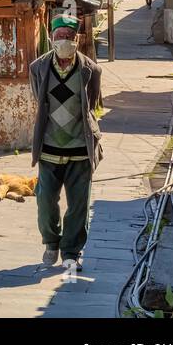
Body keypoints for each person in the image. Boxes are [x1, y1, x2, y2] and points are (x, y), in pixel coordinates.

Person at [29, 14, 103, 270]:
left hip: (80, 149)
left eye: (69, 37)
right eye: (59, 36)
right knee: (45, 200)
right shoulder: (37, 68)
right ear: (51, 38)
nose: (64, 41)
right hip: (48, 148)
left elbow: (91, 105)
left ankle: (71, 252)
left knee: (79, 205)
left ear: (77, 40)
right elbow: (39, 102)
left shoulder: (91, 70)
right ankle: (51, 242)